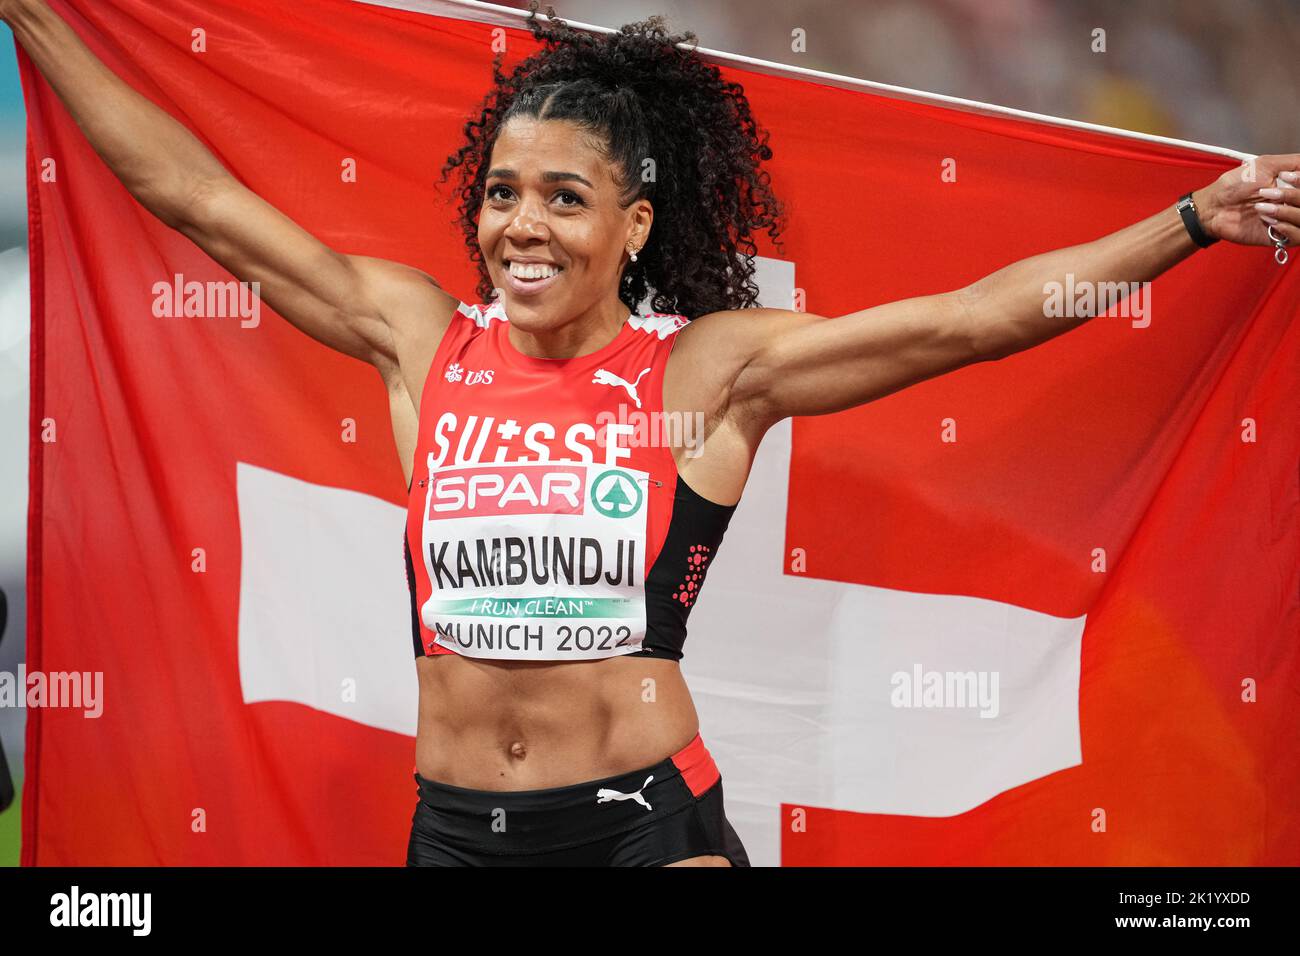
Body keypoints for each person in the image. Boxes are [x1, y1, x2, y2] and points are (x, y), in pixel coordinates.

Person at [5, 0, 1294, 866]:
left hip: (641, 829)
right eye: (503, 193)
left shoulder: (702, 373)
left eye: (566, 199)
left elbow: (963, 325)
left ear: (632, 227)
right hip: (451, 830)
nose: (523, 227)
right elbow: (194, 198)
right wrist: (35, 16)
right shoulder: (417, 337)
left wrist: (1188, 223)